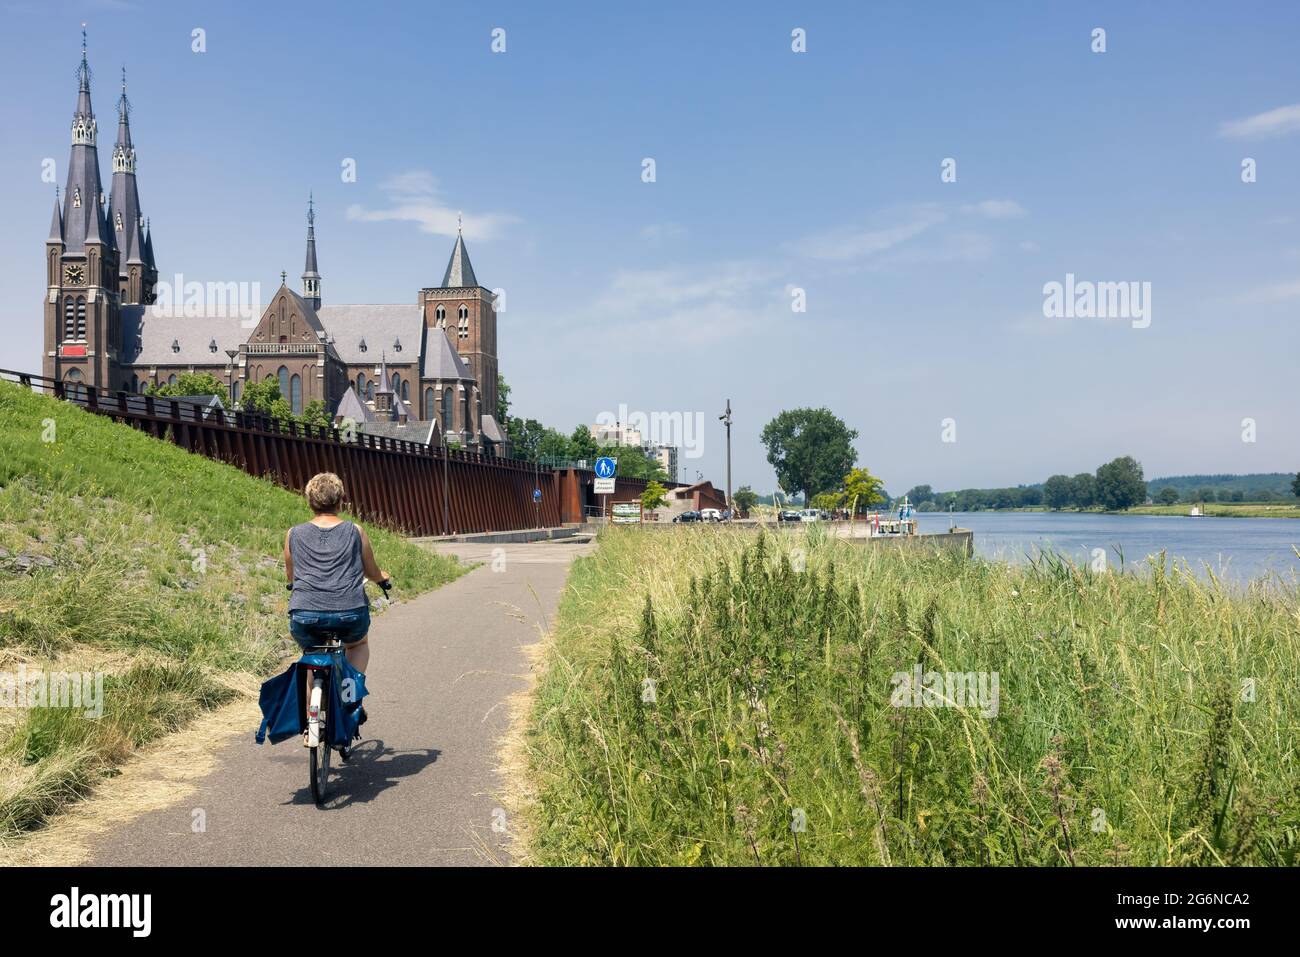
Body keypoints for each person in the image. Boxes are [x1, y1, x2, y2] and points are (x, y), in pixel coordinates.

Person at [284, 473, 390, 680]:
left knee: (311, 656)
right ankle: (349, 695)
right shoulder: (355, 531)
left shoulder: (293, 533)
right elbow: (370, 570)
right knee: (358, 645)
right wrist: (381, 577)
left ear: (310, 502)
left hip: (305, 614)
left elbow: (291, 576)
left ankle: (309, 710)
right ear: (341, 500)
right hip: (349, 612)